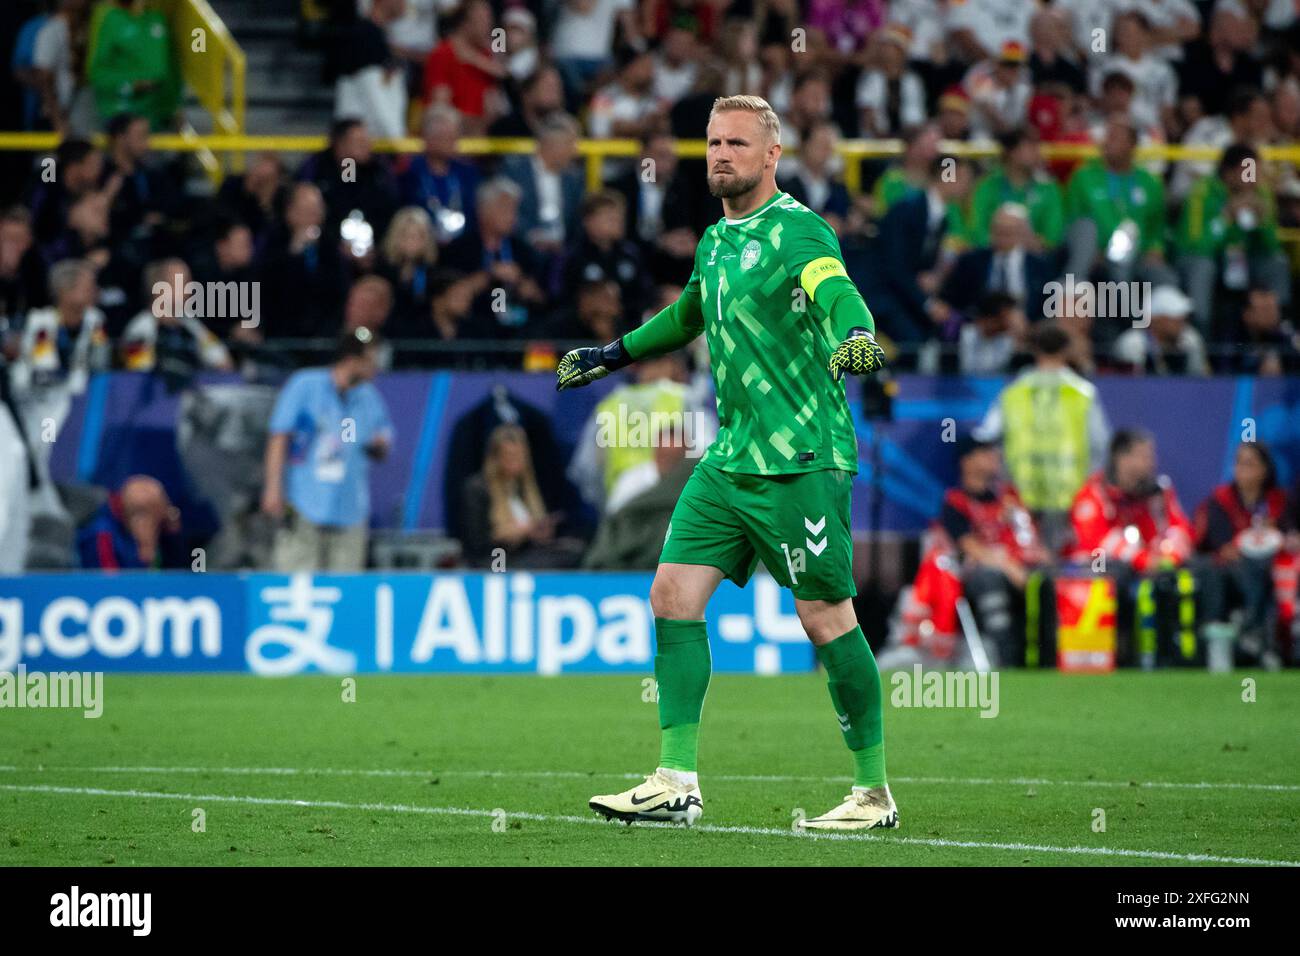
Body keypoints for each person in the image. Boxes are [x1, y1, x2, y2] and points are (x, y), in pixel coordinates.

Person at [556, 95, 896, 832]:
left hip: (801, 457)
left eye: (737, 143)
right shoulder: (713, 242)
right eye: (712, 142)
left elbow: (834, 291)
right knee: (672, 593)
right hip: (731, 456)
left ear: (772, 155)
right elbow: (686, 318)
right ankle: (675, 779)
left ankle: (872, 793)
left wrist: (859, 334)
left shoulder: (798, 230)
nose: (720, 154)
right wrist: (612, 354)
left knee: (824, 616)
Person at [260, 329, 393, 571]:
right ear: (353, 360)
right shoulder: (306, 385)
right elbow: (279, 436)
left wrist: (379, 445)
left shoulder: (368, 397)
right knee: (298, 583)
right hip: (304, 503)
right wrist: (273, 487)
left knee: (345, 593)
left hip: (350, 509)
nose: (377, 367)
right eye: (372, 360)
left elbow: (383, 441)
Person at [976, 322, 1110, 551]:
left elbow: (986, 435)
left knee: (1028, 556)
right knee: (1064, 559)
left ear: (1034, 349)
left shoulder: (1013, 392)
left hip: (1022, 490)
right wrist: (1088, 488)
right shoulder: (1083, 393)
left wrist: (1004, 478)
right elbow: (1100, 444)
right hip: (1069, 493)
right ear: (1066, 349)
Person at [1068, 428, 1196, 667]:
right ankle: (1123, 654)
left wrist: (1170, 556)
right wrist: (1144, 559)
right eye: (1143, 456)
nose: (1151, 463)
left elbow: (1180, 528)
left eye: (1151, 456)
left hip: (1156, 564)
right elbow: (1098, 541)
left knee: (1198, 572)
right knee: (1118, 573)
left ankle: (1179, 655)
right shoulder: (1093, 492)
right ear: (1121, 458)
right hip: (1102, 570)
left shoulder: (1159, 491)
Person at [936, 436, 1047, 666]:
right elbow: (970, 547)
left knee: (1053, 581)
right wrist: (1009, 567)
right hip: (981, 575)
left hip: (1022, 569)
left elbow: (1030, 539)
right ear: (967, 462)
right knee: (990, 580)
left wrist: (1043, 561)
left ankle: (1053, 663)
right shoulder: (956, 502)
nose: (994, 457)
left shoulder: (1009, 498)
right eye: (985, 453)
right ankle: (1004, 663)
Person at [1194, 441, 1289, 668]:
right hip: (1231, 568)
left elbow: (1286, 539)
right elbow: (1219, 544)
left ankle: (1269, 641)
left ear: (1264, 470)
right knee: (1217, 570)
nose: (1241, 469)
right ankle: (1243, 634)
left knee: (1267, 570)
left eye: (1249, 464)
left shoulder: (1278, 502)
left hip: (1271, 568)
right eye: (1238, 463)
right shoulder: (1221, 499)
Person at [460, 422, 582, 568]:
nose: (516, 463)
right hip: (495, 558)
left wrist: (538, 532)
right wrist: (513, 533)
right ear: (495, 458)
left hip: (521, 555)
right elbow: (477, 543)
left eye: (520, 457)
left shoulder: (523, 488)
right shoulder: (478, 488)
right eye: (510, 457)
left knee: (573, 550)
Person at [77, 474, 185, 569]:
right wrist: (144, 550)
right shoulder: (101, 533)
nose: (149, 522)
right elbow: (109, 584)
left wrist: (172, 529)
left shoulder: (164, 527)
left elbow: (177, 570)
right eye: (142, 513)